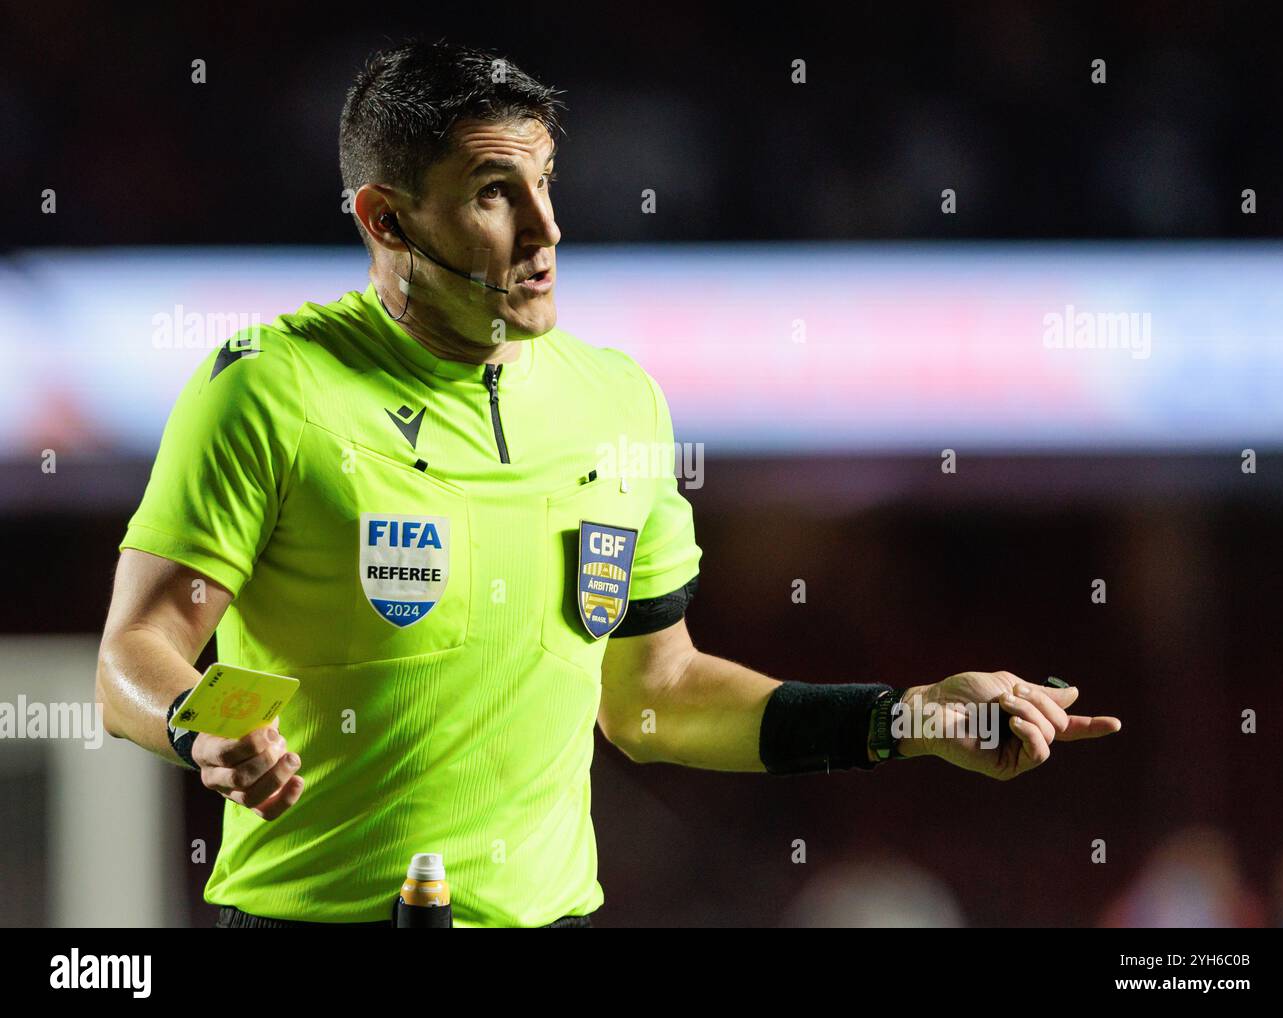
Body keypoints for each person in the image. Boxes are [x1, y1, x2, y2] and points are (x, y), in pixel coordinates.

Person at [95, 39, 1121, 928]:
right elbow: (133, 655)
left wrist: (912, 717)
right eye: (495, 193)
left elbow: (656, 700)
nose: (544, 230)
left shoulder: (616, 403)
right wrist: (197, 722)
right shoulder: (270, 390)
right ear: (387, 221)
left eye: (546, 182)